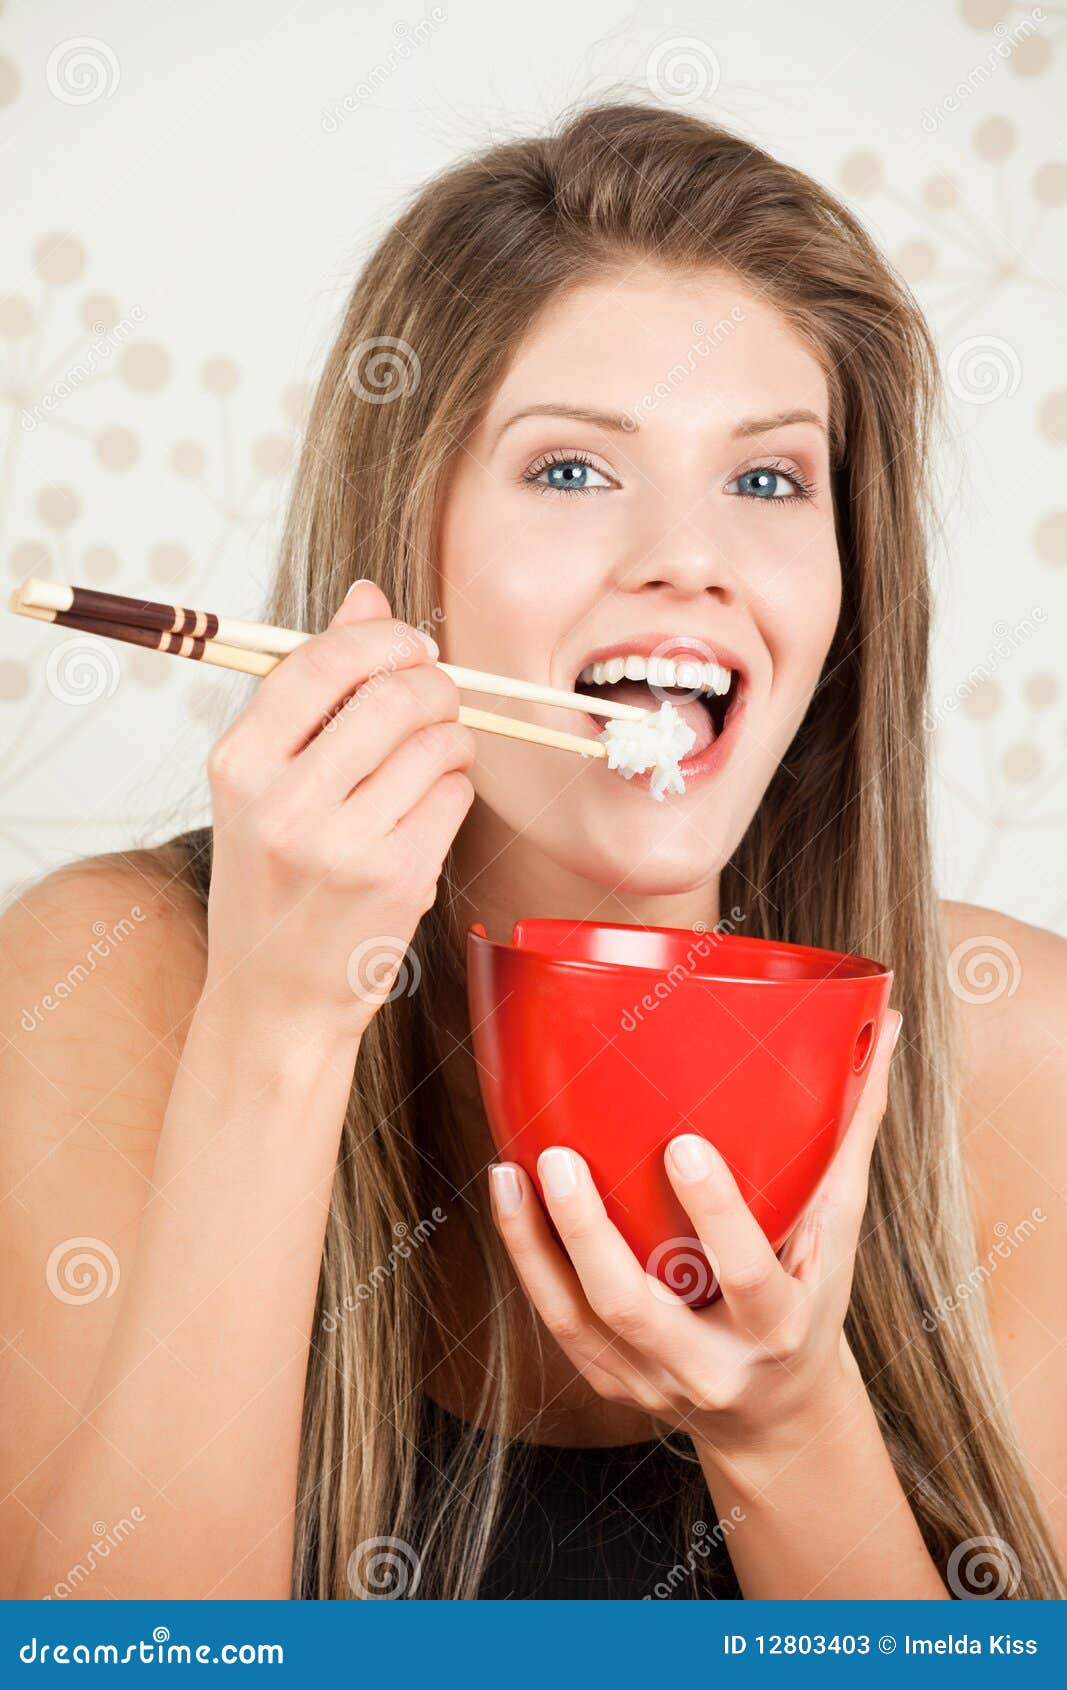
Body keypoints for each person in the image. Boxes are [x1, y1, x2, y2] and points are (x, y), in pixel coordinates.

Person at [3, 101, 1064, 1601]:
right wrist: (284, 1023)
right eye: (571, 470)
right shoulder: (112, 985)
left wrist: (782, 1425)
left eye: (768, 479)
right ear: (409, 540)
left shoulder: (1011, 1060)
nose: (687, 555)